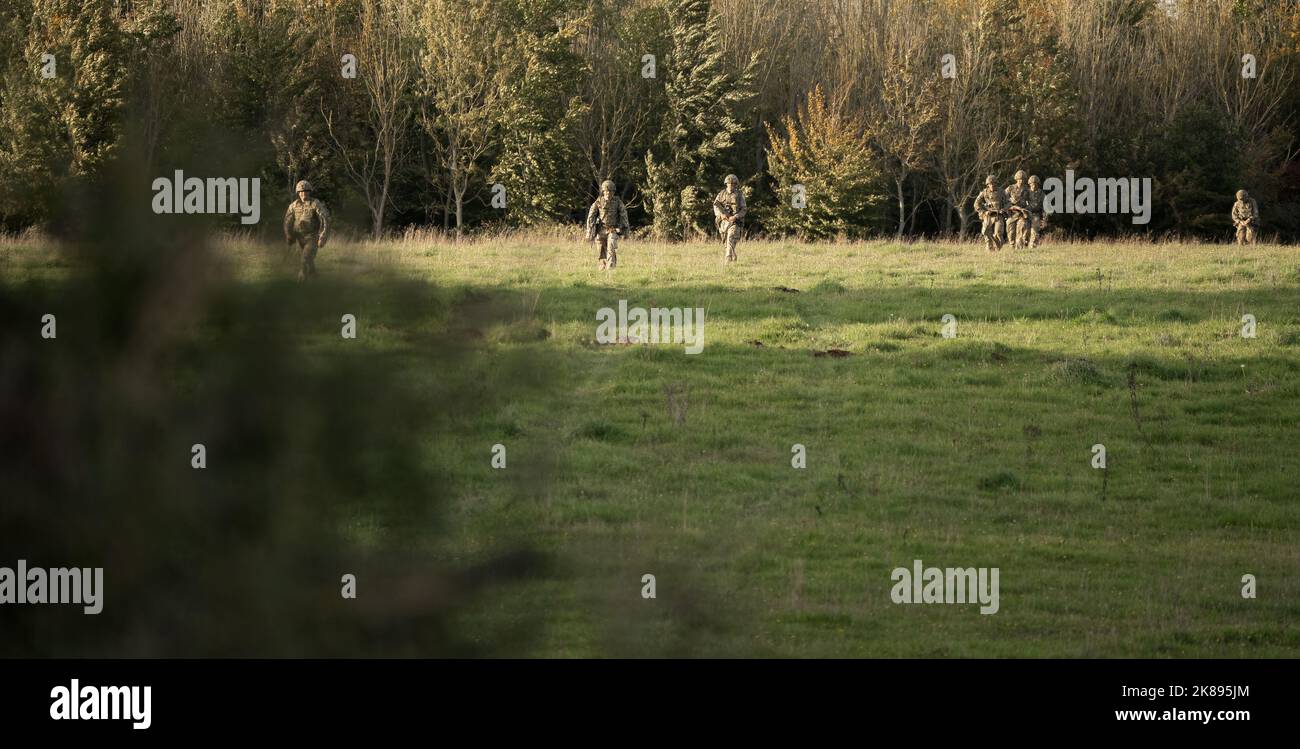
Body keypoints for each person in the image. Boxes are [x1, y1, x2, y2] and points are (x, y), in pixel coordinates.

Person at [283, 180, 330, 282]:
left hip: (312, 237)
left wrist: (322, 236)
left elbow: (325, 218)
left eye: (306, 191)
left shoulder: (315, 204)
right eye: (301, 191)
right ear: (298, 193)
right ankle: (315, 277)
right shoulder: (293, 206)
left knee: (305, 258)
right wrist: (288, 235)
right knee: (308, 261)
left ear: (309, 192)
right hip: (299, 238)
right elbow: (287, 221)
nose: (303, 193)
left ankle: (301, 279)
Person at [585, 179, 630, 270]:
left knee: (611, 247)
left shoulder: (618, 202)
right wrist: (589, 231)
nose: (608, 193)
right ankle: (602, 266)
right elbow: (591, 216)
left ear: (613, 192)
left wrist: (625, 230)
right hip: (601, 229)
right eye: (606, 191)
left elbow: (624, 215)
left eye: (610, 191)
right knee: (600, 250)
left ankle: (611, 268)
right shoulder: (598, 202)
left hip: (613, 229)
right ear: (603, 191)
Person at [713, 174, 746, 263]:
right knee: (726, 242)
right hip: (723, 221)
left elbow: (744, 209)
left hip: (734, 221)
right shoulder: (721, 194)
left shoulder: (739, 195)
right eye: (729, 183)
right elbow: (715, 205)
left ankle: (727, 258)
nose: (731, 185)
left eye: (733, 183)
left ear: (736, 184)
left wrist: (736, 216)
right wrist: (720, 215)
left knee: (731, 237)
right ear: (726, 184)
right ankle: (733, 256)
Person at [972, 175, 1007, 252]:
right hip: (988, 215)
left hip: (999, 215)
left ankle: (998, 248)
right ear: (987, 185)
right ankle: (989, 246)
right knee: (985, 231)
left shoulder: (1002, 192)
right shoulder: (984, 192)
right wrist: (983, 212)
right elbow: (976, 204)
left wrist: (1004, 209)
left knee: (998, 234)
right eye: (990, 184)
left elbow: (1008, 203)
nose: (992, 185)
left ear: (996, 183)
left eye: (994, 183)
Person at [1005, 170, 1031, 249]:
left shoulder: (1027, 190)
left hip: (1022, 214)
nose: (1021, 181)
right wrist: (1009, 206)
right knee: (1010, 230)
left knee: (1021, 227)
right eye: (1019, 179)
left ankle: (1019, 247)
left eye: (1023, 179)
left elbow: (1031, 202)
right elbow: (1003, 198)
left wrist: (1026, 209)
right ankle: (1012, 245)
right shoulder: (1010, 188)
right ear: (1016, 179)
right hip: (1012, 213)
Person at [1025, 175, 1045, 249]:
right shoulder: (1026, 192)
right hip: (1025, 214)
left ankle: (1033, 246)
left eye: (1035, 184)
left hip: (1036, 214)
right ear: (1029, 184)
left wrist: (1044, 219)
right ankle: (1024, 244)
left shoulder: (1041, 194)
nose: (1034, 185)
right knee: (1024, 230)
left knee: (1035, 230)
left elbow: (1045, 207)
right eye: (1032, 184)